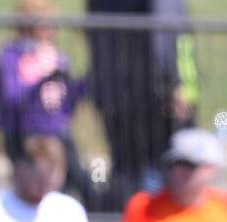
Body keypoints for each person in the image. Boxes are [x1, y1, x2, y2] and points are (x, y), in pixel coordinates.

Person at [85, 0, 200, 210]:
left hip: (120, 90)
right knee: (162, 166)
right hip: (145, 95)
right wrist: (171, 83)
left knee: (131, 168)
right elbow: (167, 31)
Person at [0, 0, 94, 201]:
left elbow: (67, 98)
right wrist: (42, 77)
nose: (52, 29)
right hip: (25, 136)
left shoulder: (56, 56)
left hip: (58, 134)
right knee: (39, 189)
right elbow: (11, 97)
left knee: (80, 185)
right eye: (45, 23)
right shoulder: (11, 56)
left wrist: (87, 81)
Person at [115, 128, 227, 222]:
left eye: (190, 165)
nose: (179, 172)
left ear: (210, 168)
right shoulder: (143, 206)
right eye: (175, 164)